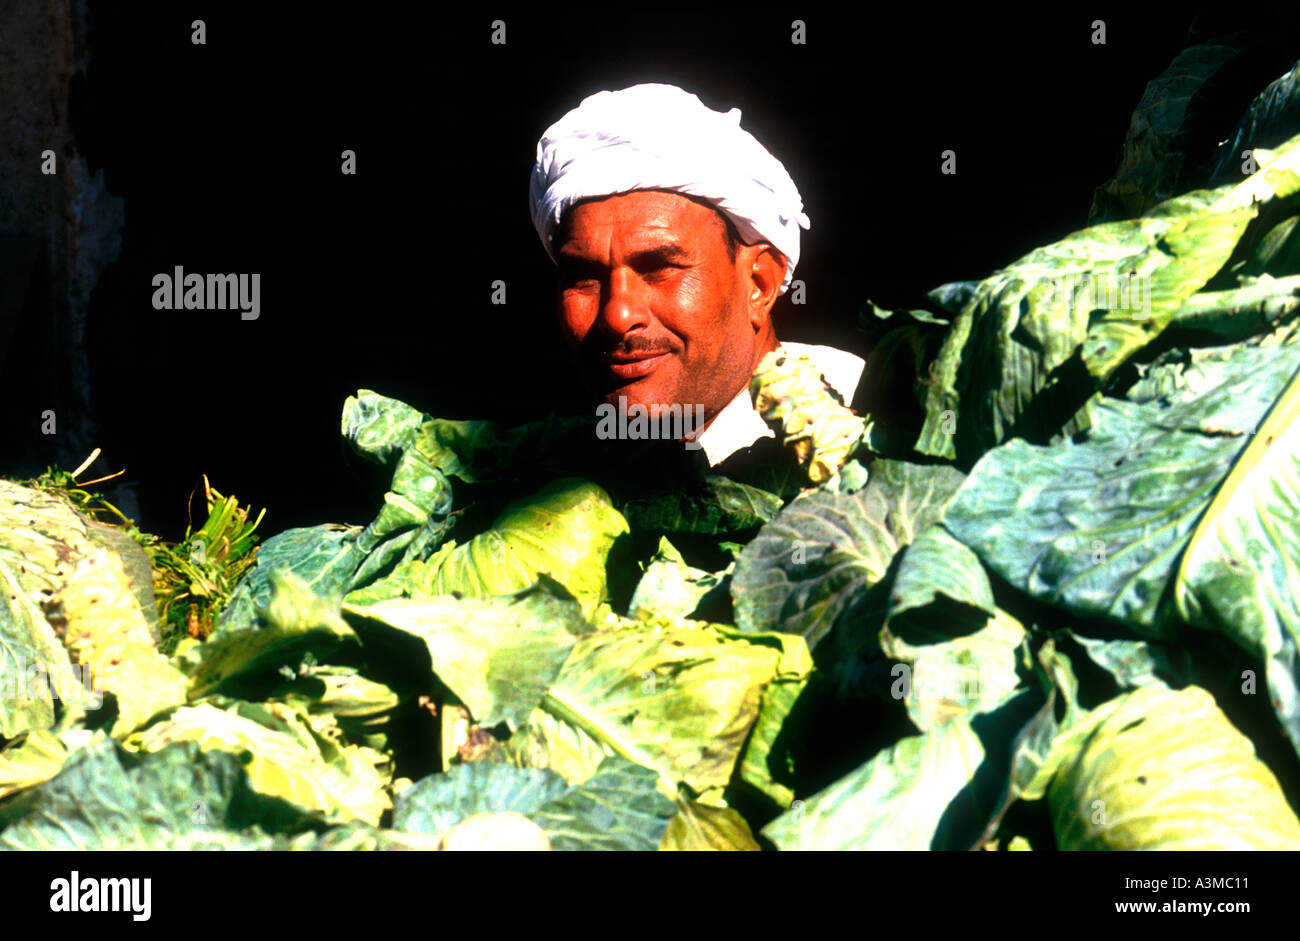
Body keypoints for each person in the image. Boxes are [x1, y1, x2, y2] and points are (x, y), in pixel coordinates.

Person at [528, 83, 864, 475]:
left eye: (659, 268)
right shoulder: (563, 469)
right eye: (584, 277)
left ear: (759, 284)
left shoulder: (875, 434)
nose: (617, 315)